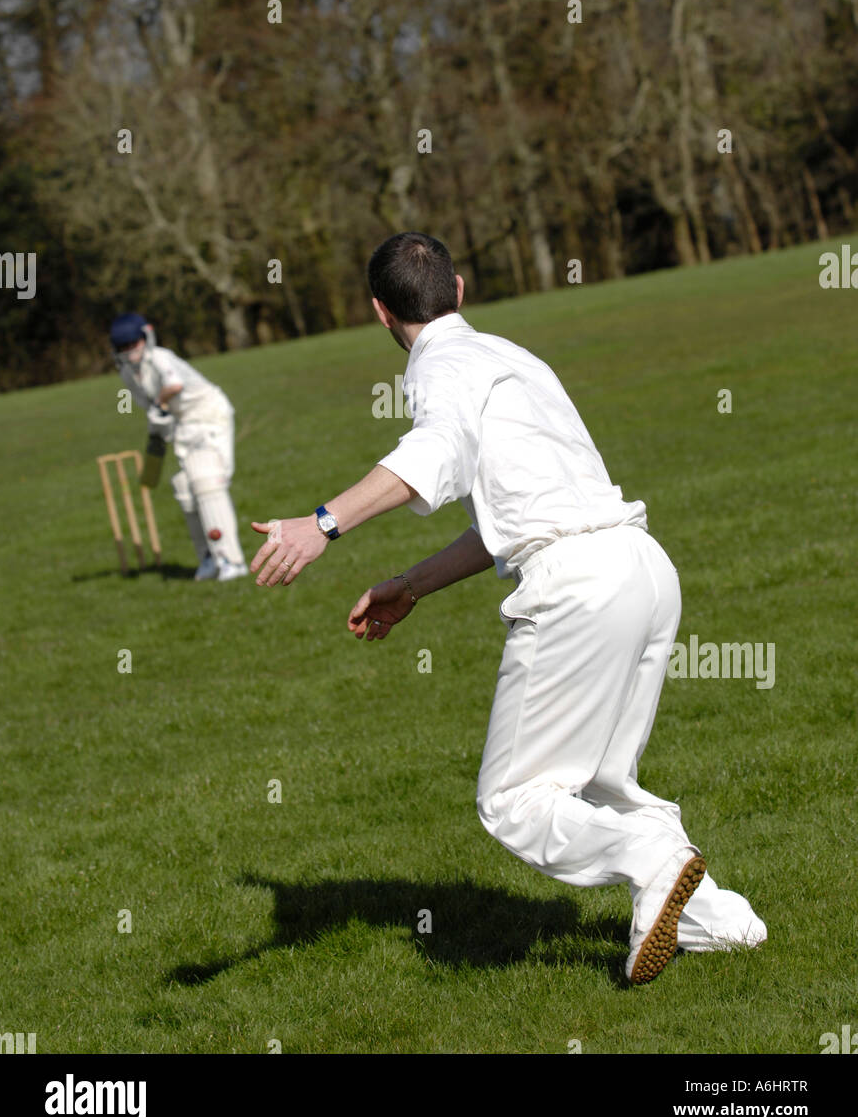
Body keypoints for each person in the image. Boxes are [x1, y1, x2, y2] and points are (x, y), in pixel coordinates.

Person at [249, 233, 766, 984]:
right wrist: (412, 584)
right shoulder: (516, 359)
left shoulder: (438, 368)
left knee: (514, 802)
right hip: (641, 567)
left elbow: (432, 455)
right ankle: (720, 921)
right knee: (601, 781)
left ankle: (655, 860)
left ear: (378, 313)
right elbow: (514, 512)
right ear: (458, 291)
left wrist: (320, 523)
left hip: (574, 586)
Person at [109, 313, 248, 582]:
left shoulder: (160, 357)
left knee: (206, 480)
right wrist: (158, 425)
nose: (131, 351)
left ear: (145, 339)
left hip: (209, 415)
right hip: (184, 424)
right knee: (185, 486)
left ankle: (232, 560)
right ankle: (208, 558)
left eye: (134, 344)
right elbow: (150, 405)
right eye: (124, 347)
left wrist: (160, 406)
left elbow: (175, 386)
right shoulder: (127, 374)